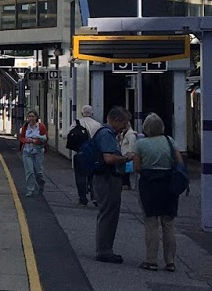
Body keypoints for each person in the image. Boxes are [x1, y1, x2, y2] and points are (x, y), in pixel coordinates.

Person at [133, 113, 185, 271]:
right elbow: (180, 162)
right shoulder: (170, 141)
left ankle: (151, 260)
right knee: (168, 223)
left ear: (146, 128)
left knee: (151, 222)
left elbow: (136, 168)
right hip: (169, 185)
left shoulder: (140, 145)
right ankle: (170, 262)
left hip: (149, 185)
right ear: (162, 127)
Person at [91, 107, 133, 264]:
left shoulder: (103, 132)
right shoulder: (107, 134)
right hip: (108, 179)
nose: (125, 127)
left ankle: (104, 248)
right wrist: (126, 158)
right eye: (124, 123)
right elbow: (109, 158)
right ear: (116, 120)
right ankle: (104, 250)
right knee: (109, 213)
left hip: (103, 178)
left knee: (106, 213)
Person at [67, 105, 101, 207]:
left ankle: (82, 199)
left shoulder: (77, 123)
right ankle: (95, 197)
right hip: (94, 154)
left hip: (80, 153)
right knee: (93, 176)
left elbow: (68, 134)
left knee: (80, 176)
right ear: (92, 113)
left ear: (82, 113)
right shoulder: (98, 125)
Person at [17, 110, 48, 196]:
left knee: (38, 172)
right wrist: (26, 140)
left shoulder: (41, 127)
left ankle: (41, 184)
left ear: (36, 117)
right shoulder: (25, 127)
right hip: (27, 151)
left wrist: (34, 141)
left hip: (38, 152)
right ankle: (30, 189)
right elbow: (21, 137)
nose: (31, 118)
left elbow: (45, 139)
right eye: (29, 116)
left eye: (32, 116)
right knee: (29, 171)